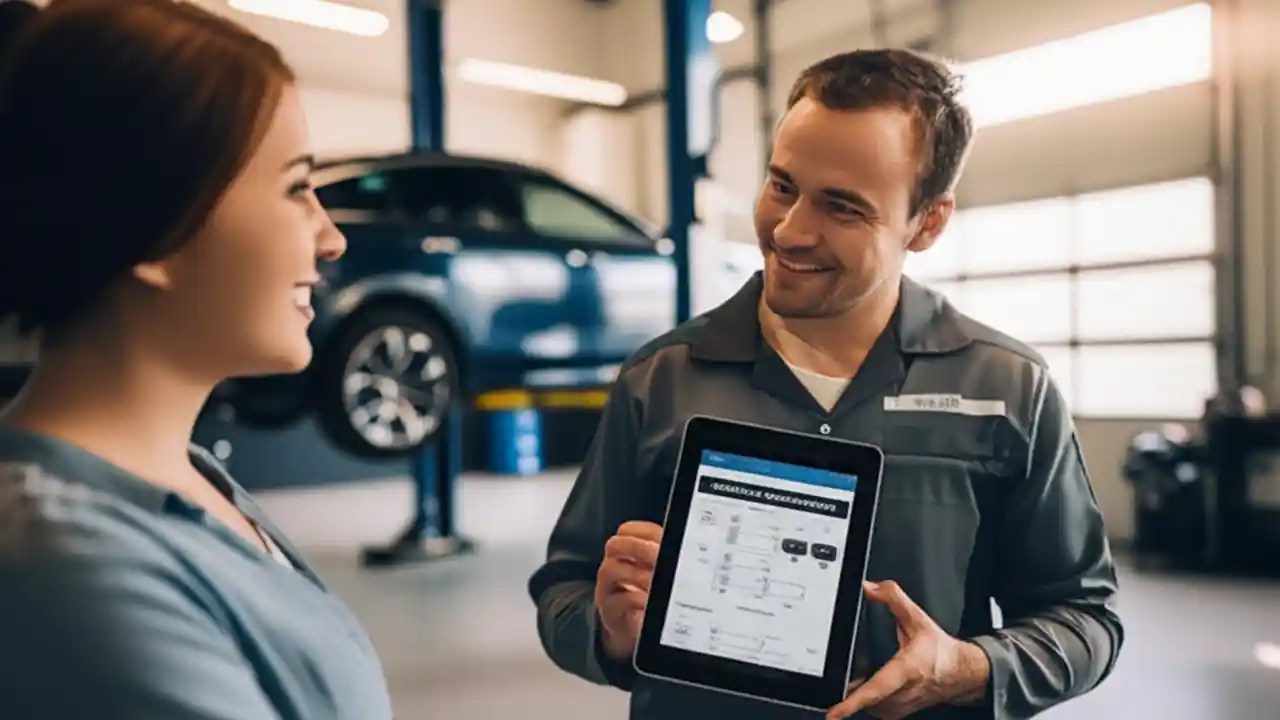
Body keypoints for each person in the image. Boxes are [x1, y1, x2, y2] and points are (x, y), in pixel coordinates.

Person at [529, 48, 1123, 720]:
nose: (789, 231)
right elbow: (563, 589)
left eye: (841, 208)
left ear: (927, 222)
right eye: (782, 185)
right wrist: (609, 633)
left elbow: (1083, 618)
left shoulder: (1009, 387)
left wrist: (967, 668)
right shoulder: (660, 378)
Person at [0, 1, 393, 718]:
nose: (331, 239)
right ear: (157, 223)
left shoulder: (186, 480)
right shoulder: (71, 566)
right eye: (296, 188)